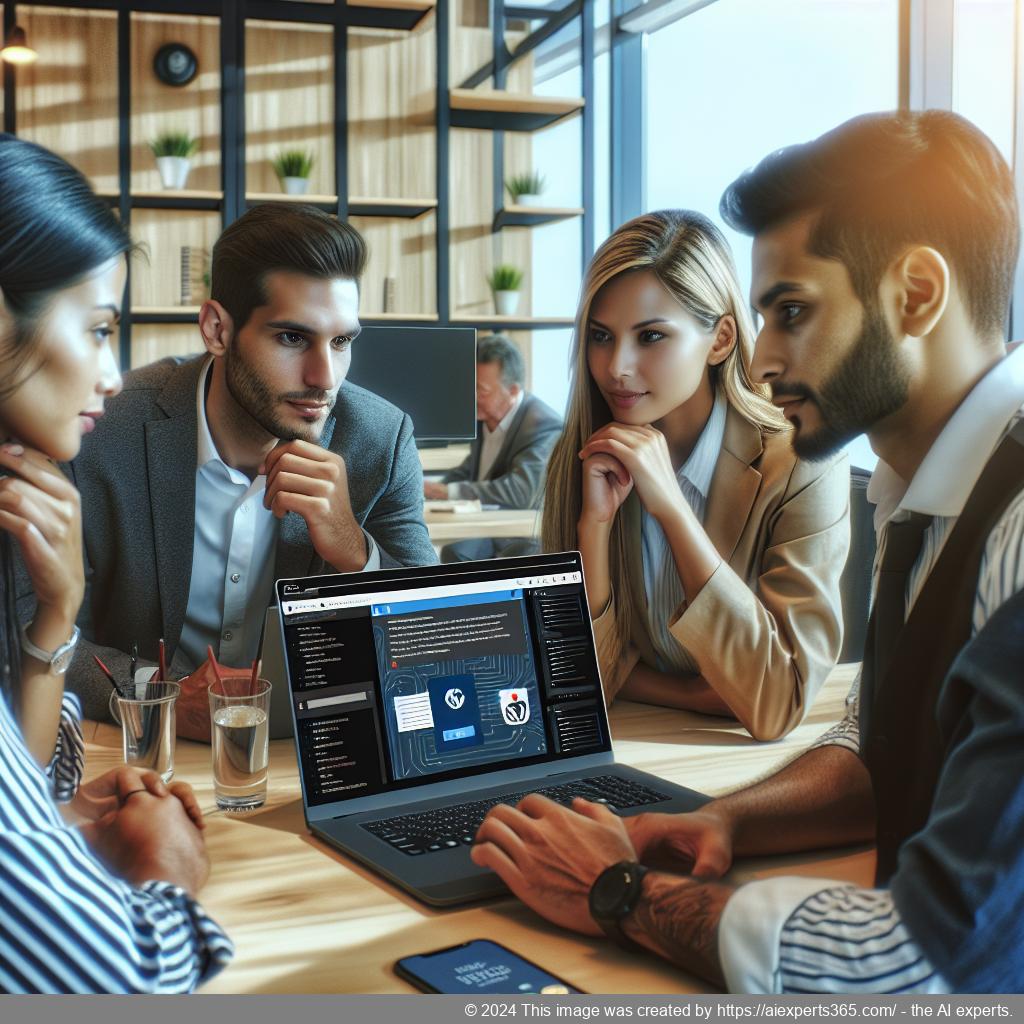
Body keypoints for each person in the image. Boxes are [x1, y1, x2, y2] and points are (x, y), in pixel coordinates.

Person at [471, 111, 1024, 993]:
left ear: (917, 295)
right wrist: (727, 820)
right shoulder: (917, 498)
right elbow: (876, 740)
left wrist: (618, 891)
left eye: (791, 312)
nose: (762, 360)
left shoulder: (1013, 525)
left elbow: (920, 963)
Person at [40, 203, 437, 739]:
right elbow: (38, 631)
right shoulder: (101, 430)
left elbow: (432, 633)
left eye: (341, 341)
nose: (325, 377)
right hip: (140, 750)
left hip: (305, 751)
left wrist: (353, 548)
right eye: (292, 338)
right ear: (217, 329)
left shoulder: (381, 441)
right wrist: (163, 694)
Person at [0, 134, 232, 992]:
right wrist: (170, 867)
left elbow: (29, 779)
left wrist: (56, 616)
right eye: (97, 329)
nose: (110, 373)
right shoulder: (113, 445)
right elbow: (125, 981)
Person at [542, 210, 849, 740]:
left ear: (721, 339)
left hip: (739, 761)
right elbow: (570, 676)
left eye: (651, 336)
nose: (616, 366)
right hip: (635, 744)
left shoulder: (804, 459)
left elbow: (777, 702)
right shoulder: (585, 457)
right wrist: (594, 528)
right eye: (601, 336)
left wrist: (672, 508)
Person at [425, 333, 562, 563]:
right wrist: (430, 490)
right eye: (470, 387)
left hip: (524, 535)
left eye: (482, 391)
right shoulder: (485, 415)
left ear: (513, 391)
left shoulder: (543, 425)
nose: (472, 397)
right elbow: (474, 470)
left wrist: (447, 492)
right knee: (447, 551)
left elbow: (521, 492)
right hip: (485, 526)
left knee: (456, 553)